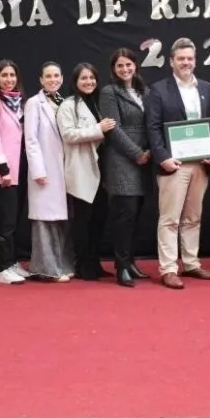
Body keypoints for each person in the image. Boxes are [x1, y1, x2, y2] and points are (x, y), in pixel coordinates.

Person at [145, 37, 210, 289]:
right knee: (170, 219)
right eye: (181, 59)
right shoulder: (158, 90)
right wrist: (163, 157)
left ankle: (191, 263)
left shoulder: (207, 88)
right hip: (173, 164)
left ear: (195, 61)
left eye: (189, 58)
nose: (186, 63)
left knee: (193, 217)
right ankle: (168, 269)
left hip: (201, 163)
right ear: (171, 62)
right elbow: (152, 127)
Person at [99, 48, 152, 288]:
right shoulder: (109, 92)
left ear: (135, 66)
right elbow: (113, 129)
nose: (125, 69)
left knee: (136, 214)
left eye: (128, 64)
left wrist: (150, 151)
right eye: (119, 65)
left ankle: (130, 262)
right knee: (125, 215)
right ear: (113, 69)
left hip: (145, 160)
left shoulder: (144, 91)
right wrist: (137, 153)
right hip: (121, 160)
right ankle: (121, 266)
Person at [58, 62, 115, 281]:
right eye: (84, 78)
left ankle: (95, 262)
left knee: (100, 218)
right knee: (83, 220)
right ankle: (82, 263)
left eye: (92, 78)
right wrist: (98, 129)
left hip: (102, 169)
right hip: (82, 168)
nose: (89, 82)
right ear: (75, 81)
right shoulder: (68, 105)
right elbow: (68, 135)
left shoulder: (101, 102)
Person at [0, 60, 30, 285]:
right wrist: (3, 168)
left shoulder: (22, 103)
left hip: (22, 168)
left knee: (16, 219)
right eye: (4, 75)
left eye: (12, 75)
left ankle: (12, 261)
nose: (9, 79)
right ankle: (3, 267)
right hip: (4, 172)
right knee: (6, 221)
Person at [24, 61, 75, 282]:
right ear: (41, 80)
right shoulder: (34, 103)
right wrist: (38, 170)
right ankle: (46, 269)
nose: (52, 79)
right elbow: (31, 139)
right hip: (44, 169)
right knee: (44, 220)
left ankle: (62, 265)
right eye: (48, 76)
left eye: (56, 76)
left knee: (60, 219)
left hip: (63, 168)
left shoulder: (64, 102)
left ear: (62, 79)